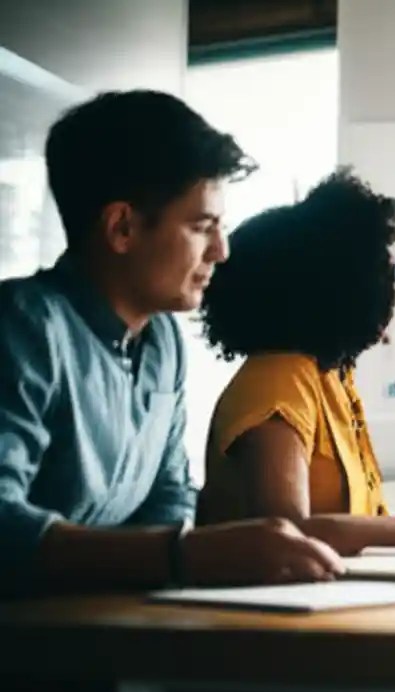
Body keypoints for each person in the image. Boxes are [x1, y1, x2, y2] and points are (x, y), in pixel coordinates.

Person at [0, 90, 343, 599]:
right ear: (122, 227)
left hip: (116, 629)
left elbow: (168, 494)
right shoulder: (25, 326)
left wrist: (174, 560)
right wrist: (184, 555)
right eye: (202, 227)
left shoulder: (162, 342)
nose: (222, 251)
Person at [198, 169, 395, 555]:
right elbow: (285, 532)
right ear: (332, 288)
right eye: (378, 271)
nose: (389, 287)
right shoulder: (278, 376)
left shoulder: (331, 377)